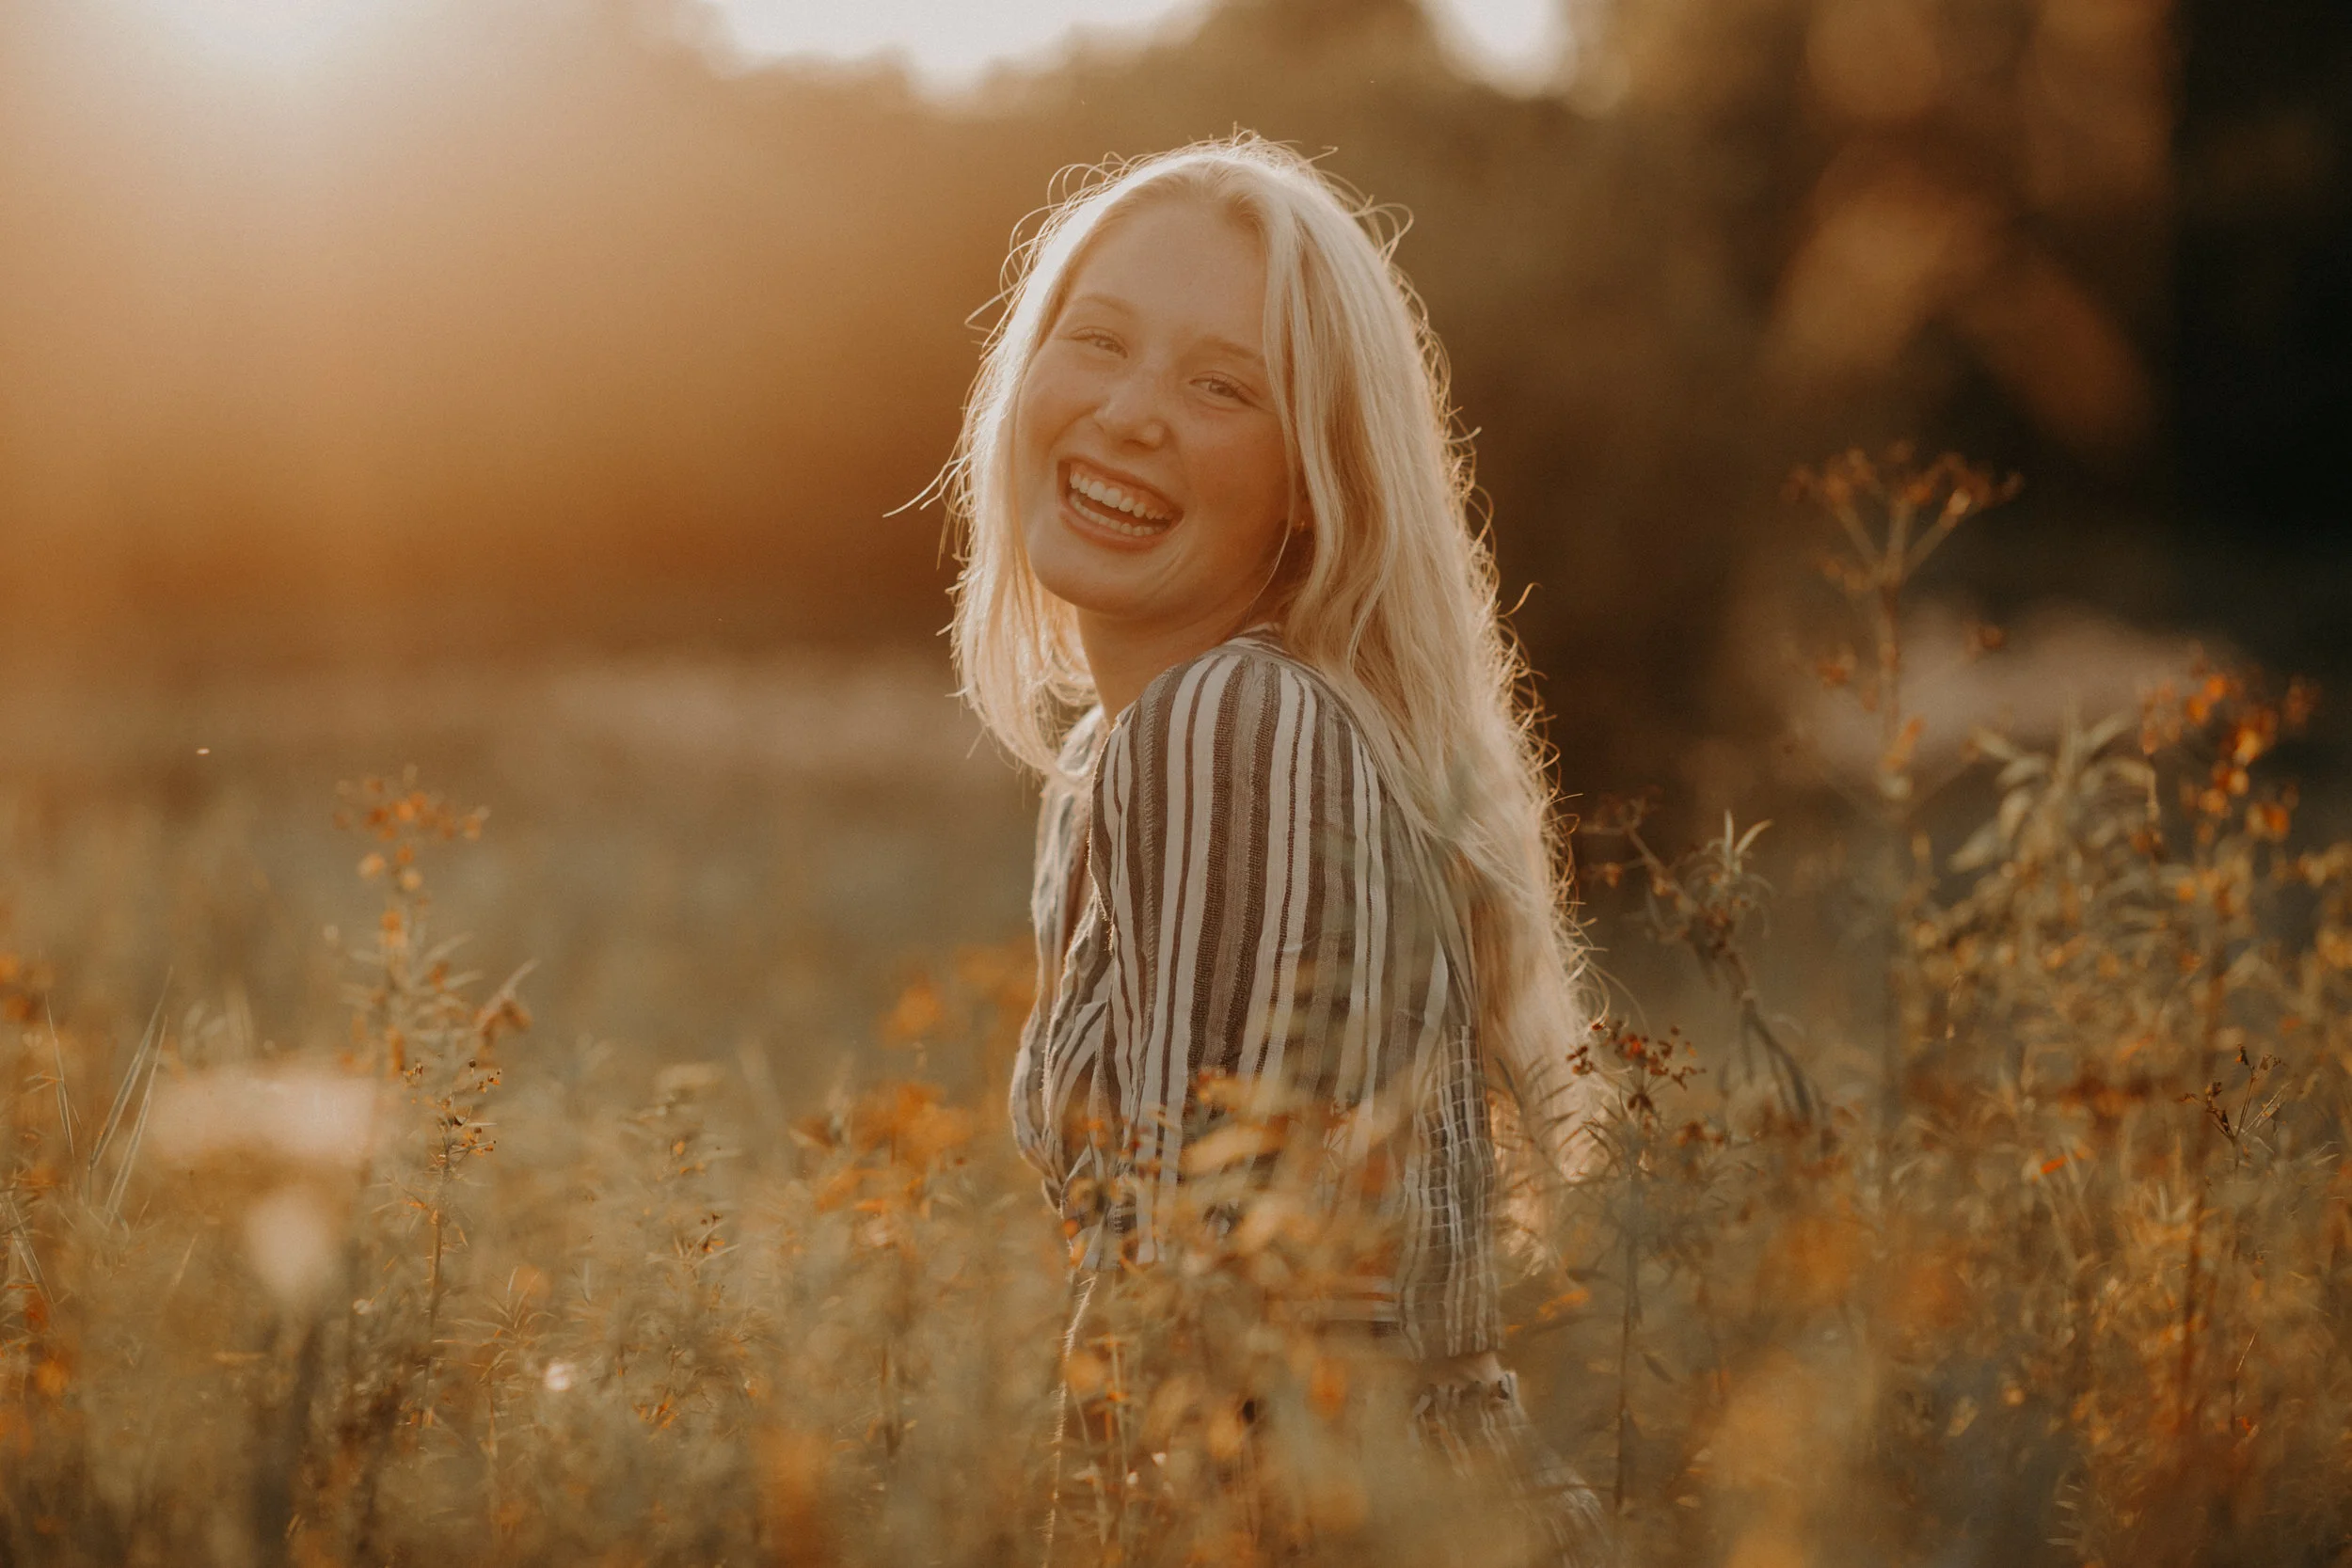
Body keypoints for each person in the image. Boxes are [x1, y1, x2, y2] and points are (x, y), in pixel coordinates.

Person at [944, 135, 1610, 1564]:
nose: (1129, 413)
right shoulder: (1112, 764)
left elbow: (1215, 1327)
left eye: (1220, 385)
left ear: (1314, 477)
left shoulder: (1231, 723)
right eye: (1099, 340)